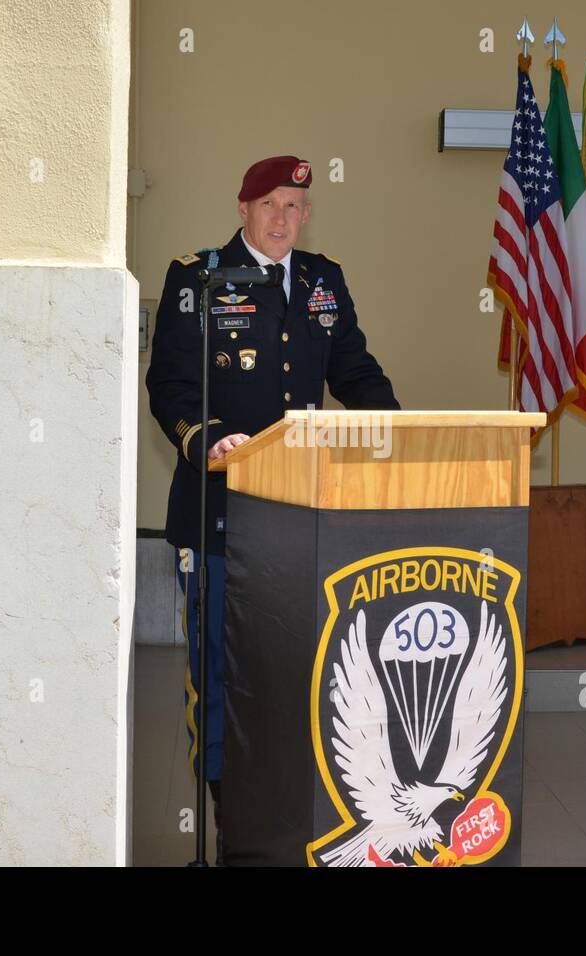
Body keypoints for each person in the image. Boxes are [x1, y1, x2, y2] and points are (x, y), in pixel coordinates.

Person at [145, 155, 399, 861]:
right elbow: (169, 379)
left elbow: (352, 368)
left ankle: (294, 800)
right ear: (244, 207)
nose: (284, 218)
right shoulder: (199, 275)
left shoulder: (323, 279)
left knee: (303, 665)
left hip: (303, 514)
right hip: (220, 512)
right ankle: (230, 814)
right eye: (271, 205)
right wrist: (202, 436)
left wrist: (396, 428)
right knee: (223, 671)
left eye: (296, 206)